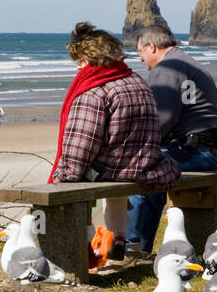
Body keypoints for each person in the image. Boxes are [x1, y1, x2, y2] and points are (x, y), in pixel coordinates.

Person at [50, 22, 179, 260]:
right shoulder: (137, 81)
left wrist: (61, 178)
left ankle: (83, 248)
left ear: (86, 58)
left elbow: (82, 144)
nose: (78, 67)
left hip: (113, 169)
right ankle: (119, 236)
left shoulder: (94, 90)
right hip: (145, 167)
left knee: (81, 178)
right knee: (111, 171)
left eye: (78, 61)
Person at [128, 24, 217, 256]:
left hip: (193, 151)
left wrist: (140, 148)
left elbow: (163, 118)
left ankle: (131, 246)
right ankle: (139, 247)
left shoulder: (167, 68)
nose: (141, 59)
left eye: (140, 51)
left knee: (137, 174)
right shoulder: (188, 62)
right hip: (206, 150)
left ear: (152, 46)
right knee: (154, 179)